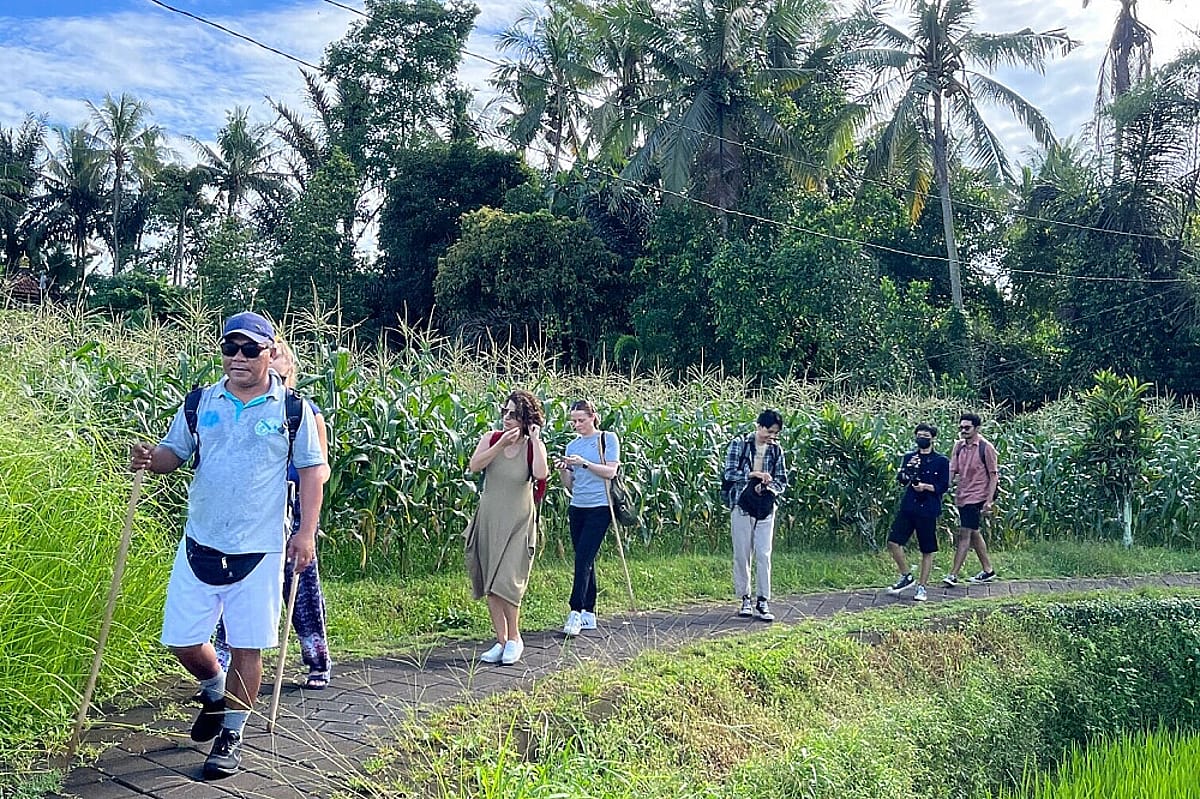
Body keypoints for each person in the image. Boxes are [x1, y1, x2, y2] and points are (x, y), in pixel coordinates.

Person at [128, 311, 325, 780]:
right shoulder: (200, 403)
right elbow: (172, 456)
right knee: (180, 639)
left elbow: (315, 472)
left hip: (259, 549)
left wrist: (306, 532)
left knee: (247, 647)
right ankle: (214, 687)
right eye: (230, 348)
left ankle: (231, 733)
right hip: (200, 540)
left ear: (270, 352)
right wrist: (149, 459)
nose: (237, 358)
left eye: (249, 349)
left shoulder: (291, 410)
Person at [213, 338, 333, 689]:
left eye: (273, 355)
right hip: (249, 511)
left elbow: (319, 469)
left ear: (287, 367)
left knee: (300, 587)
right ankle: (221, 662)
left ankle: (317, 659)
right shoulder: (239, 405)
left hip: (291, 507)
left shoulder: (303, 412)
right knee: (234, 583)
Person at [465, 390, 549, 665]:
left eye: (514, 415)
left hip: (518, 522)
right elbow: (474, 466)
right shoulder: (490, 439)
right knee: (491, 583)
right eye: (505, 412)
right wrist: (499, 445)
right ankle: (501, 641)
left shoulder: (532, 445)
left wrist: (535, 439)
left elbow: (540, 474)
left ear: (526, 419)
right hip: (490, 518)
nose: (507, 419)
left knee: (508, 583)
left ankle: (515, 638)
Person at [555, 400, 620, 637]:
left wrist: (584, 463)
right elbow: (570, 486)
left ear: (593, 417)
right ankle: (589, 614)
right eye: (574, 421)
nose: (577, 425)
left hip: (601, 506)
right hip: (578, 506)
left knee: (582, 559)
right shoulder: (572, 444)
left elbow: (611, 471)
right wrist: (563, 468)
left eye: (581, 420)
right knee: (585, 558)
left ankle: (575, 611)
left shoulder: (607, 439)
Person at [721, 409, 788, 622]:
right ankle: (744, 598)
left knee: (763, 553)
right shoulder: (739, 445)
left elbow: (782, 480)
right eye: (769, 431)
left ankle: (763, 600)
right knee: (742, 554)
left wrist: (768, 488)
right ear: (758, 426)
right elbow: (728, 473)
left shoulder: (776, 450)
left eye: (775, 433)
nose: (771, 436)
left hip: (765, 506)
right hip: (741, 504)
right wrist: (753, 475)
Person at [885, 423, 950, 603]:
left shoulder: (941, 461)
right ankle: (906, 575)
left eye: (925, 435)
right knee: (893, 542)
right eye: (919, 435)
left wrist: (925, 487)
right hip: (909, 506)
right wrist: (908, 470)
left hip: (928, 508)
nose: (921, 438)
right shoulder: (909, 457)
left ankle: (922, 586)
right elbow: (902, 481)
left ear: (932, 438)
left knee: (927, 549)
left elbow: (943, 486)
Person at [944, 413, 1000, 586]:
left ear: (976, 428)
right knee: (974, 532)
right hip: (963, 495)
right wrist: (941, 488)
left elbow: (993, 476)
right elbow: (953, 470)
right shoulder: (958, 447)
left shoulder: (986, 448)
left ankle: (953, 574)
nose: (963, 431)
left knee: (965, 533)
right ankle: (988, 570)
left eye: (967, 428)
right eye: (961, 428)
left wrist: (989, 500)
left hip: (977, 496)